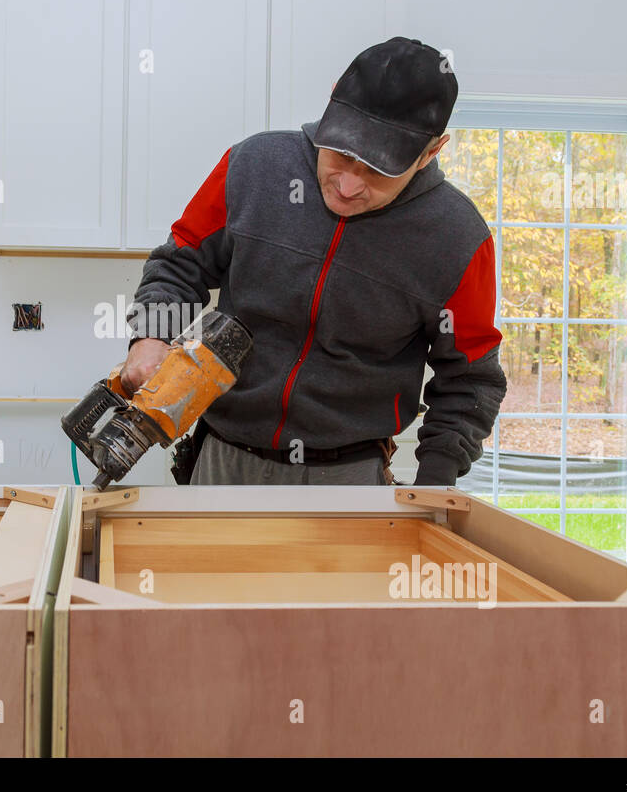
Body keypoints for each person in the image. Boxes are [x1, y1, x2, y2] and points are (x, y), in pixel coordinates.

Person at [121, 36, 506, 486]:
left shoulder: (457, 237)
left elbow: (471, 379)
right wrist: (150, 336)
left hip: (349, 473)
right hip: (223, 456)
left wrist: (435, 483)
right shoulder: (255, 166)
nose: (347, 186)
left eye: (379, 171)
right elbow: (180, 262)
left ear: (430, 153)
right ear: (330, 108)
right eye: (342, 153)